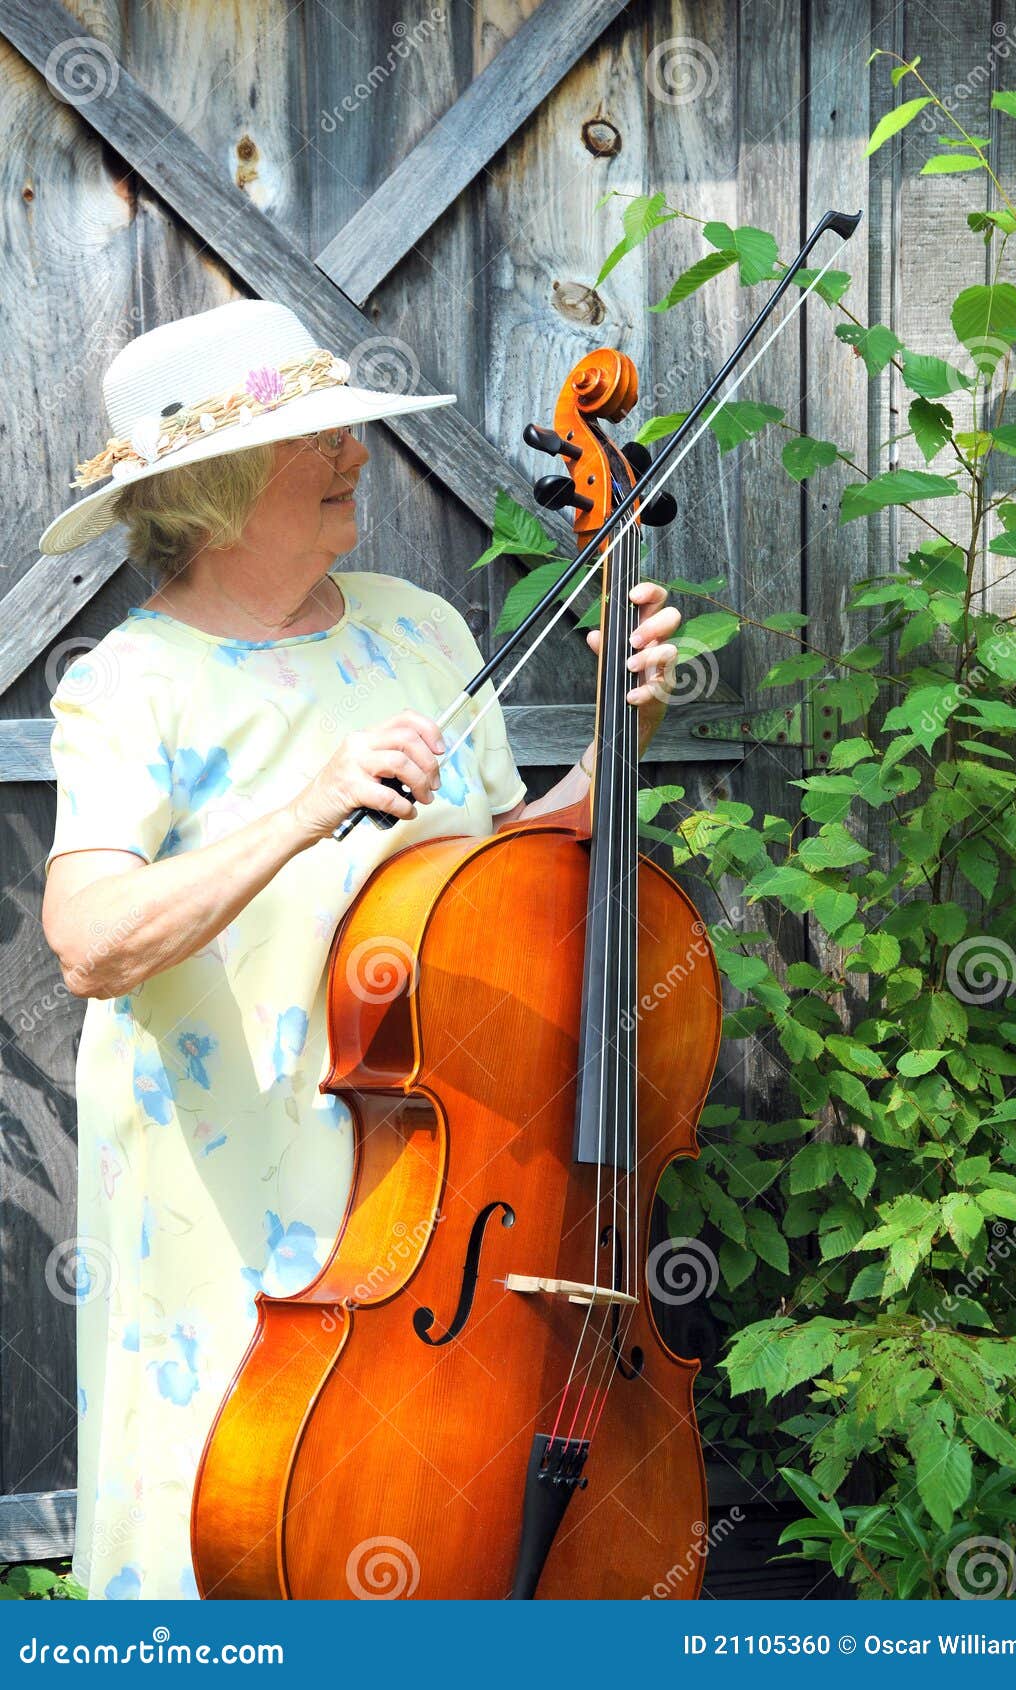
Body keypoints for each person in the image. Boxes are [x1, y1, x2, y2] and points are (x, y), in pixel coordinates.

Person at [38, 298, 680, 1599]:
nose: (357, 457)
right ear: (211, 492)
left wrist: (621, 741)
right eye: (314, 442)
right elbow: (93, 945)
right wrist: (304, 804)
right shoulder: (131, 684)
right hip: (208, 1169)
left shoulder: (417, 627)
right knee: (212, 1500)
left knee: (400, 1490)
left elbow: (503, 872)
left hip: (410, 1175)